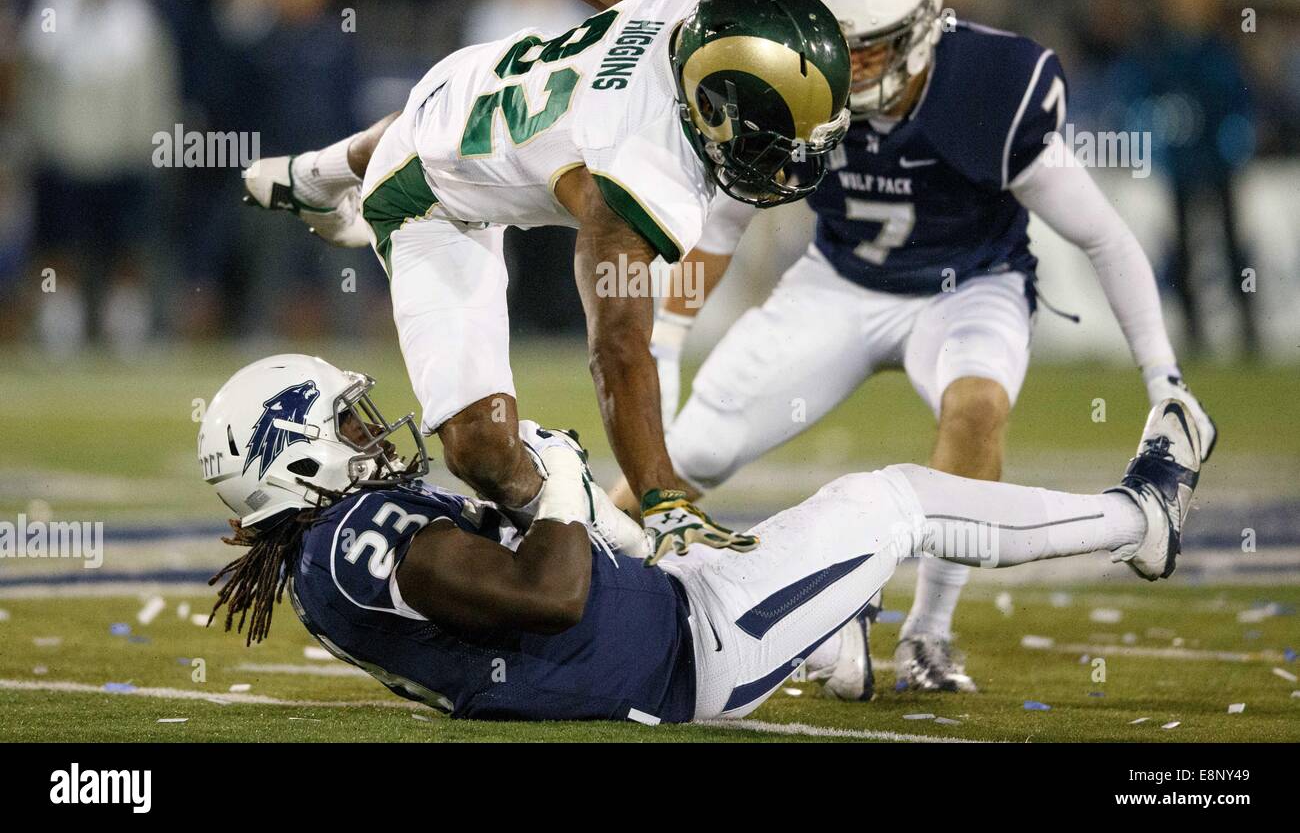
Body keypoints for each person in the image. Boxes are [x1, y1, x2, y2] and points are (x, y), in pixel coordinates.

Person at [571, 0, 1218, 695]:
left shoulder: (991, 86)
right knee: (692, 453)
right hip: (837, 283)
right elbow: (729, 215)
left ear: (920, 25)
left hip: (971, 285)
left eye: (867, 46)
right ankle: (580, 576)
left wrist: (1165, 380)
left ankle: (929, 630)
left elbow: (1106, 238)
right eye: (835, 43)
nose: (848, 66)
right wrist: (668, 338)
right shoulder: (795, 63)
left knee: (976, 409)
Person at [198, 353, 1202, 723]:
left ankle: (827, 633)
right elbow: (549, 593)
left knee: (656, 533)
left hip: (662, 624)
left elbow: (517, 592)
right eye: (347, 423)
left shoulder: (324, 562)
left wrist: (568, 508)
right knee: (895, 498)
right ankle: (1141, 517)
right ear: (292, 459)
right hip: (690, 650)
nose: (375, 433)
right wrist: (553, 489)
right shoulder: (356, 536)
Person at [240, 0, 851, 551]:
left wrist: (642, 14)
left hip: (469, 77)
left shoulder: (692, 11)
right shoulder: (634, 171)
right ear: (712, 103)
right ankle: (612, 546)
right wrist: (663, 498)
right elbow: (618, 346)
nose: (785, 162)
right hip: (430, 206)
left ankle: (313, 175)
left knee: (427, 121)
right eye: (772, 141)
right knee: (482, 451)